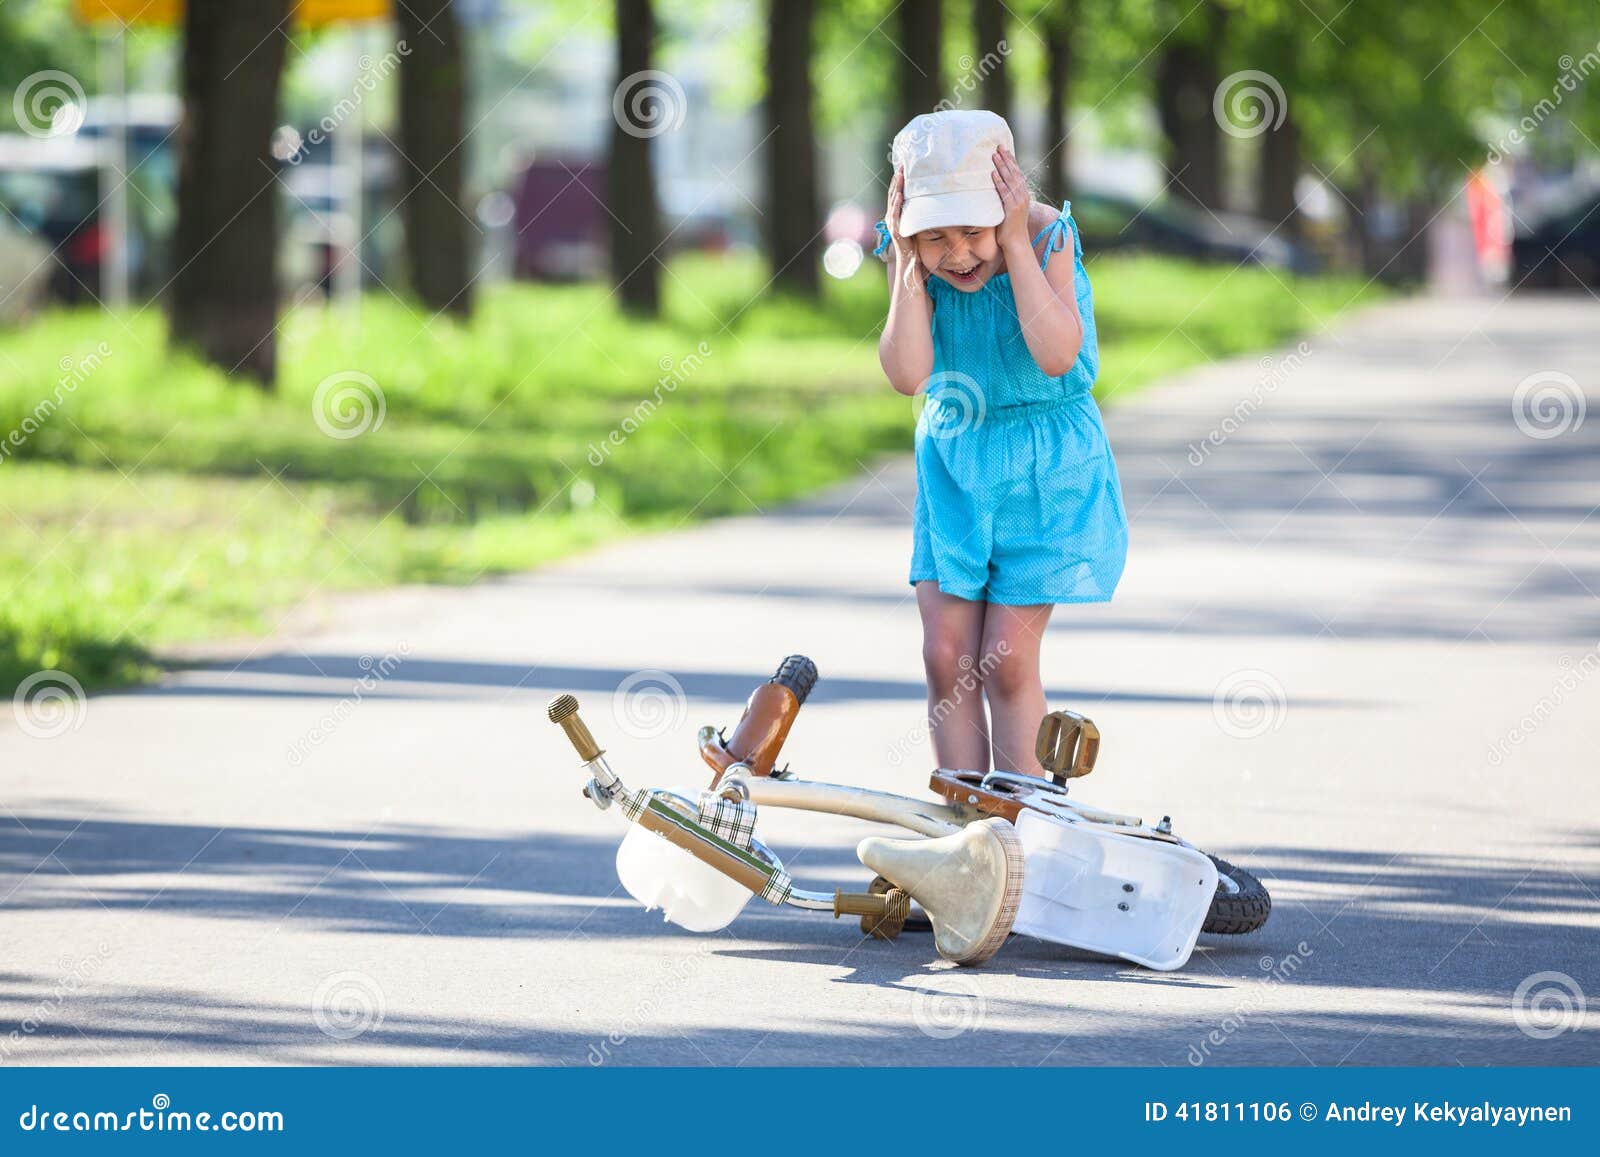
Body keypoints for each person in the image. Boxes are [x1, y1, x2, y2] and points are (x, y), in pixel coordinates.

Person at [876, 109, 1128, 778]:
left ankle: (1019, 834)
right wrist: (906, 262)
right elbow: (908, 375)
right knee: (946, 654)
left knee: (1008, 660)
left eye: (972, 230)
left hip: (1045, 471)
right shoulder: (914, 258)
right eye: (934, 236)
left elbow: (1055, 353)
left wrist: (1013, 245)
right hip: (957, 464)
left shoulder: (1044, 236)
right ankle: (964, 837)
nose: (956, 253)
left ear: (1006, 205)